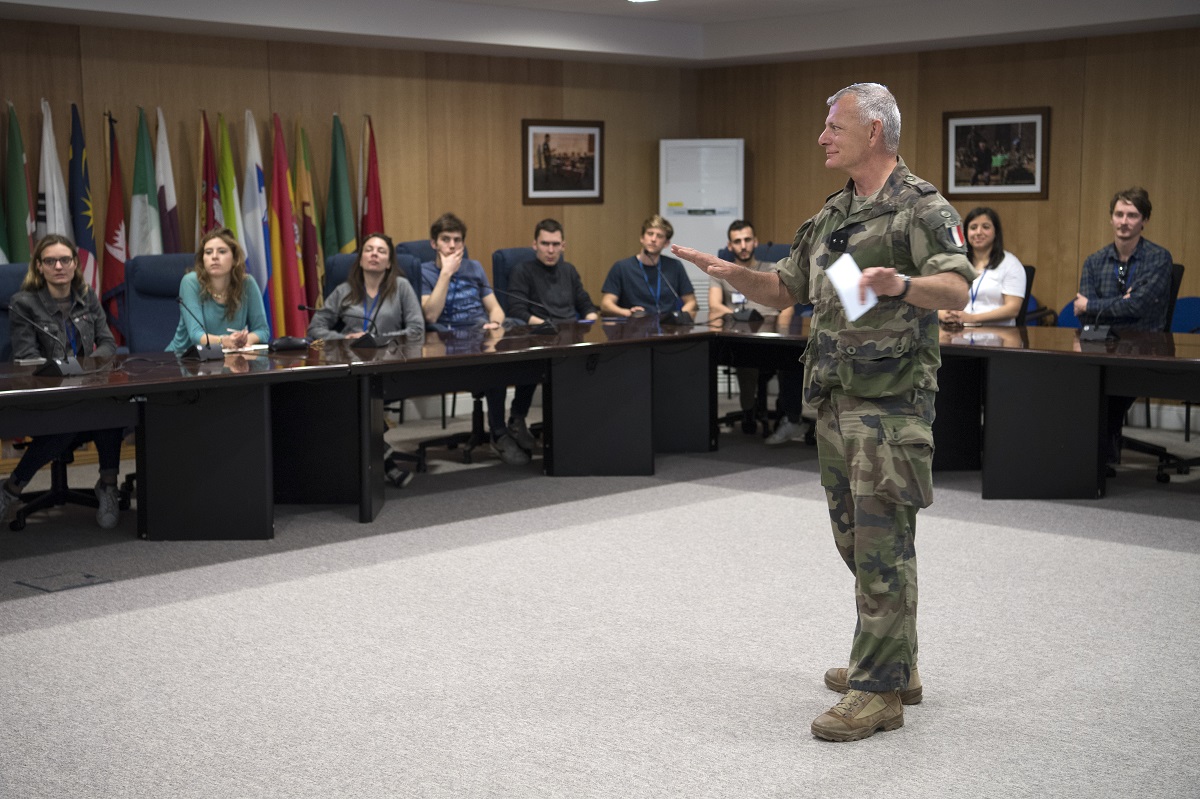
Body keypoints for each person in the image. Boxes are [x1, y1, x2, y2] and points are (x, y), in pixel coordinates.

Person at [673, 82, 973, 742]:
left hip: (891, 403)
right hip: (836, 398)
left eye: (833, 125)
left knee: (880, 540)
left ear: (873, 132)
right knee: (855, 539)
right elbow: (785, 285)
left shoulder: (921, 207)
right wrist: (725, 271)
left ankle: (878, 691)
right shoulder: (835, 213)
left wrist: (903, 284)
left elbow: (957, 282)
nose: (821, 136)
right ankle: (900, 661)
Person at [0, 235, 125, 529]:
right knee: (74, 417)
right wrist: (68, 371)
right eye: (50, 261)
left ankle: (108, 484)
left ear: (74, 264)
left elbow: (107, 343)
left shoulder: (87, 296)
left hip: (86, 387)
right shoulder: (23, 303)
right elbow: (26, 357)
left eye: (65, 260)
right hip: (46, 396)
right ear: (39, 267)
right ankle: (12, 488)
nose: (59, 266)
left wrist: (89, 366)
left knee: (110, 405)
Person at [1073, 187, 1174, 469]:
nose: (1124, 221)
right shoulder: (1094, 261)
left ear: (1144, 220)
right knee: (1076, 377)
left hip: (1144, 344)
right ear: (1111, 218)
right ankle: (1088, 453)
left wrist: (1095, 305)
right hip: (1099, 340)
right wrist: (1122, 301)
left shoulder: (1159, 258)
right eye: (1119, 214)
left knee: (1111, 387)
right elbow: (1083, 316)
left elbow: (1139, 308)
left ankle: (1102, 455)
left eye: (1132, 215)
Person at [419, 212, 528, 466]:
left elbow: (496, 308)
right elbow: (430, 314)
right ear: (434, 243)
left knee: (524, 332)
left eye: (457, 240)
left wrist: (496, 323)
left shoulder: (474, 267)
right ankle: (498, 433)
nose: (453, 245)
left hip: (482, 331)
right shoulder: (423, 272)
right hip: (449, 338)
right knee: (494, 361)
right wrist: (445, 273)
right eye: (446, 239)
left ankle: (518, 418)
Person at [504, 219, 599, 449]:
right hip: (539, 335)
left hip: (570, 335)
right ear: (534, 244)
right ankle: (517, 418)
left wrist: (591, 320)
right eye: (545, 243)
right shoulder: (522, 270)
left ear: (563, 246)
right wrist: (549, 326)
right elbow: (517, 309)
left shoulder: (568, 270)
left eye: (555, 244)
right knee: (532, 359)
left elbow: (586, 304)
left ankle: (579, 421)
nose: (550, 250)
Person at [709, 219, 795, 435]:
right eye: (737, 241)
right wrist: (740, 317)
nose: (743, 245)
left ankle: (786, 411)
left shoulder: (772, 270)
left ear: (755, 242)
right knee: (743, 357)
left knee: (792, 355)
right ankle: (748, 409)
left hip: (773, 333)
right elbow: (714, 307)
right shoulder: (722, 272)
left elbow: (788, 304)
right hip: (738, 336)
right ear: (730, 246)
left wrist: (782, 330)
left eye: (747, 240)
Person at [167, 228, 270, 355]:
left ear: (234, 258)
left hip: (228, 358)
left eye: (222, 251)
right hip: (184, 360)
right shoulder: (190, 282)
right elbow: (196, 336)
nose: (214, 257)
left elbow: (262, 331)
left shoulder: (247, 284)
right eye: (208, 252)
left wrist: (241, 341)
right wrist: (225, 341)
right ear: (202, 259)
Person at [308, 233, 424, 344]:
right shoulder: (344, 290)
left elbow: (417, 329)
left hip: (390, 354)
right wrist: (344, 339)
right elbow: (315, 328)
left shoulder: (401, 286)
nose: (374, 254)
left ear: (389, 263)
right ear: (360, 261)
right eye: (368, 250)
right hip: (350, 355)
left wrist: (379, 339)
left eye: (381, 251)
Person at [938, 207, 1026, 327]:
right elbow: (938, 296)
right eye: (973, 228)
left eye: (986, 227)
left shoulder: (1010, 264)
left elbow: (1013, 309)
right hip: (956, 333)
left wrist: (971, 318)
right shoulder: (955, 262)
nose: (978, 232)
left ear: (996, 232)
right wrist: (941, 313)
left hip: (996, 335)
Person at [600, 214, 697, 319]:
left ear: (666, 243)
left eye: (659, 236)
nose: (653, 239)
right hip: (634, 327)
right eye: (650, 234)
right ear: (642, 238)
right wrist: (627, 312)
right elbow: (606, 304)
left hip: (668, 328)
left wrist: (676, 318)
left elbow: (691, 302)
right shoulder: (621, 267)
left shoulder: (675, 266)